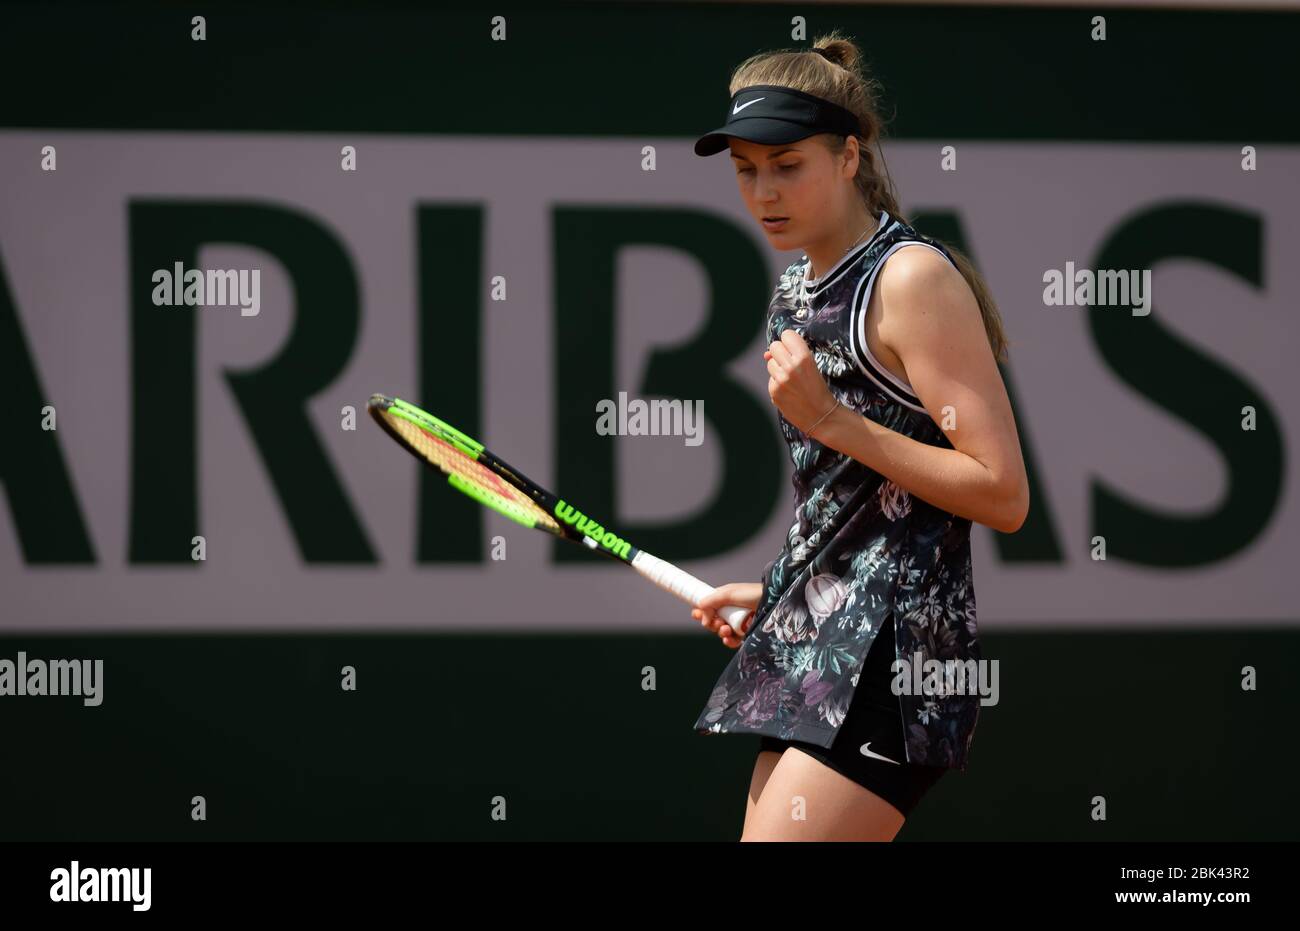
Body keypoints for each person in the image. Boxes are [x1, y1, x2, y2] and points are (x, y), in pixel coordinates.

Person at [690, 32, 1029, 841]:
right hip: (814, 635)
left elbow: (1001, 490)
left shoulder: (912, 279)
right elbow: (848, 496)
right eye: (746, 171)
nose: (764, 192)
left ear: (849, 158)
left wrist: (836, 421)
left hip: (898, 653)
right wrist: (778, 585)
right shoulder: (795, 286)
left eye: (787, 165)